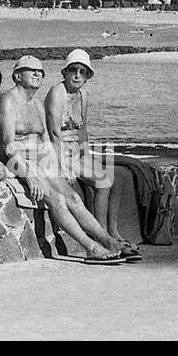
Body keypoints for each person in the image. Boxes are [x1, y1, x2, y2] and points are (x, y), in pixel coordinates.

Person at [0, 55, 137, 264]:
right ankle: (91, 247)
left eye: (40, 71)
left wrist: (56, 166)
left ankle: (108, 241)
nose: (37, 74)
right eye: (31, 70)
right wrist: (30, 176)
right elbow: (9, 145)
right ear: (17, 76)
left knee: (73, 197)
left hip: (41, 159)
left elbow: (47, 140)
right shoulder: (7, 100)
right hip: (17, 161)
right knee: (56, 199)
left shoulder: (37, 104)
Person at [45, 49, 128, 244]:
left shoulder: (84, 96)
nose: (77, 75)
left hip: (77, 153)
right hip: (59, 154)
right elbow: (54, 133)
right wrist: (63, 166)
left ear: (87, 76)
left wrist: (87, 157)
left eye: (82, 72)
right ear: (65, 72)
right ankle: (103, 236)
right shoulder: (57, 94)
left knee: (116, 179)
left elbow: (83, 131)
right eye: (73, 70)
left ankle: (113, 232)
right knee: (104, 182)